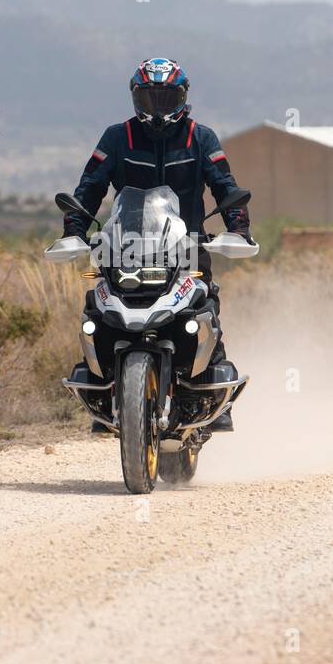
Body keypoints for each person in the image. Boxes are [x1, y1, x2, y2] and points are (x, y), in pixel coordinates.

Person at [62, 57, 254, 431]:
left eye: (166, 98)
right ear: (136, 98)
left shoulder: (202, 137)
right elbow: (89, 188)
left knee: (205, 303)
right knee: (97, 307)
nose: (158, 106)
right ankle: (102, 383)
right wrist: (74, 228)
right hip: (126, 244)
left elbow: (225, 187)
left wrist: (238, 227)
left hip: (188, 244)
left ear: (182, 97)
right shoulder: (118, 138)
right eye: (150, 98)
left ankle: (214, 388)